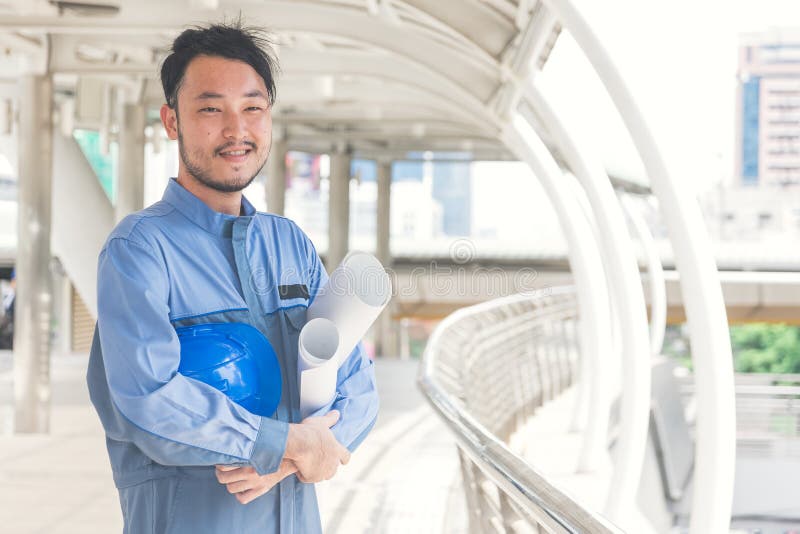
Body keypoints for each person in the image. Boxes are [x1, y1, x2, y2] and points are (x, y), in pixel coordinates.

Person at [86, 21, 379, 534]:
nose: (236, 130)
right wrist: (283, 443)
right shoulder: (139, 250)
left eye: (253, 108)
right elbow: (148, 398)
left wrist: (293, 457)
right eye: (210, 108)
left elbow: (357, 384)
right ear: (171, 121)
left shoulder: (290, 244)